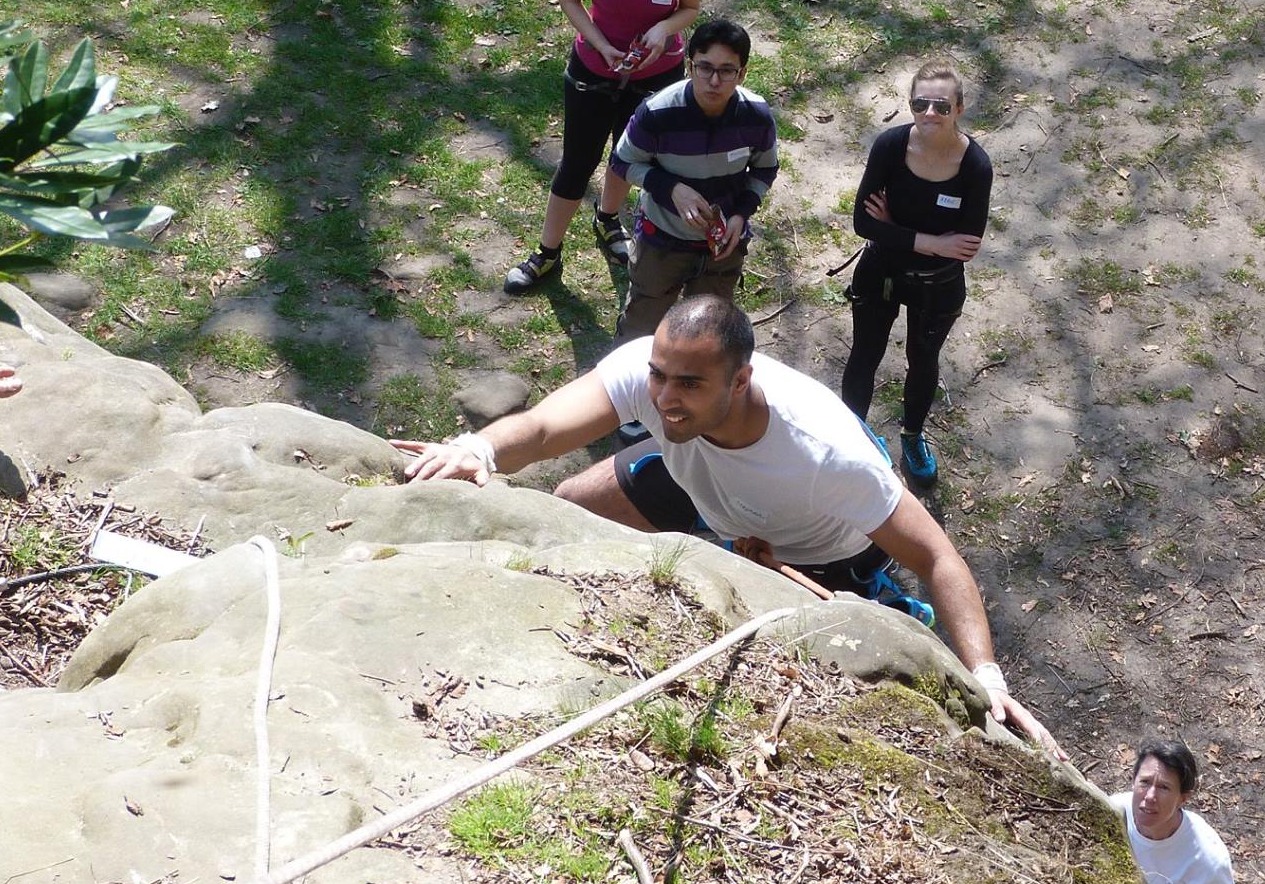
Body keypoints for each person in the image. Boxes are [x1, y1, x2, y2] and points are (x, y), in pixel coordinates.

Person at [392, 296, 1061, 758]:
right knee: (575, 501)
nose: (663, 396)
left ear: (740, 380)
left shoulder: (824, 454)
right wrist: (477, 451)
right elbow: (541, 426)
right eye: (658, 376)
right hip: (705, 485)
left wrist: (988, 679)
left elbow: (938, 557)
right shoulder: (655, 382)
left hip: (814, 551)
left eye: (687, 383)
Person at [505, 0, 704, 293]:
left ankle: (609, 220)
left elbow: (690, 8)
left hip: (656, 72)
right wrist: (599, 44)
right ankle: (546, 253)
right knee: (578, 161)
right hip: (594, 70)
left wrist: (661, 31)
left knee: (628, 155)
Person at [838, 63, 991, 484]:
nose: (929, 113)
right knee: (865, 352)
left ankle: (912, 434)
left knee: (923, 359)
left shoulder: (975, 165)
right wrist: (932, 241)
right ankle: (853, 435)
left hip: (937, 286)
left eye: (941, 105)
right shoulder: (890, 145)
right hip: (880, 271)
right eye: (919, 103)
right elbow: (863, 223)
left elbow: (967, 245)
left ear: (959, 108)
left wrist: (898, 230)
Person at [609, 19, 777, 342]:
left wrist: (741, 214)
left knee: (707, 337)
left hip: (721, 249)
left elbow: (764, 170)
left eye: (727, 71)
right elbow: (621, 160)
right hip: (662, 243)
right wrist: (670, 188)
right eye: (705, 68)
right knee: (641, 334)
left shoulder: (756, 116)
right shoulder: (657, 112)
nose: (714, 81)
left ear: (742, 73)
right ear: (689, 66)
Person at [1110, 739, 1235, 884]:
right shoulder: (1109, 814)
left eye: (1164, 787)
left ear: (1183, 798)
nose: (1150, 797)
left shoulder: (1208, 860)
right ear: (1133, 781)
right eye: (1145, 782)